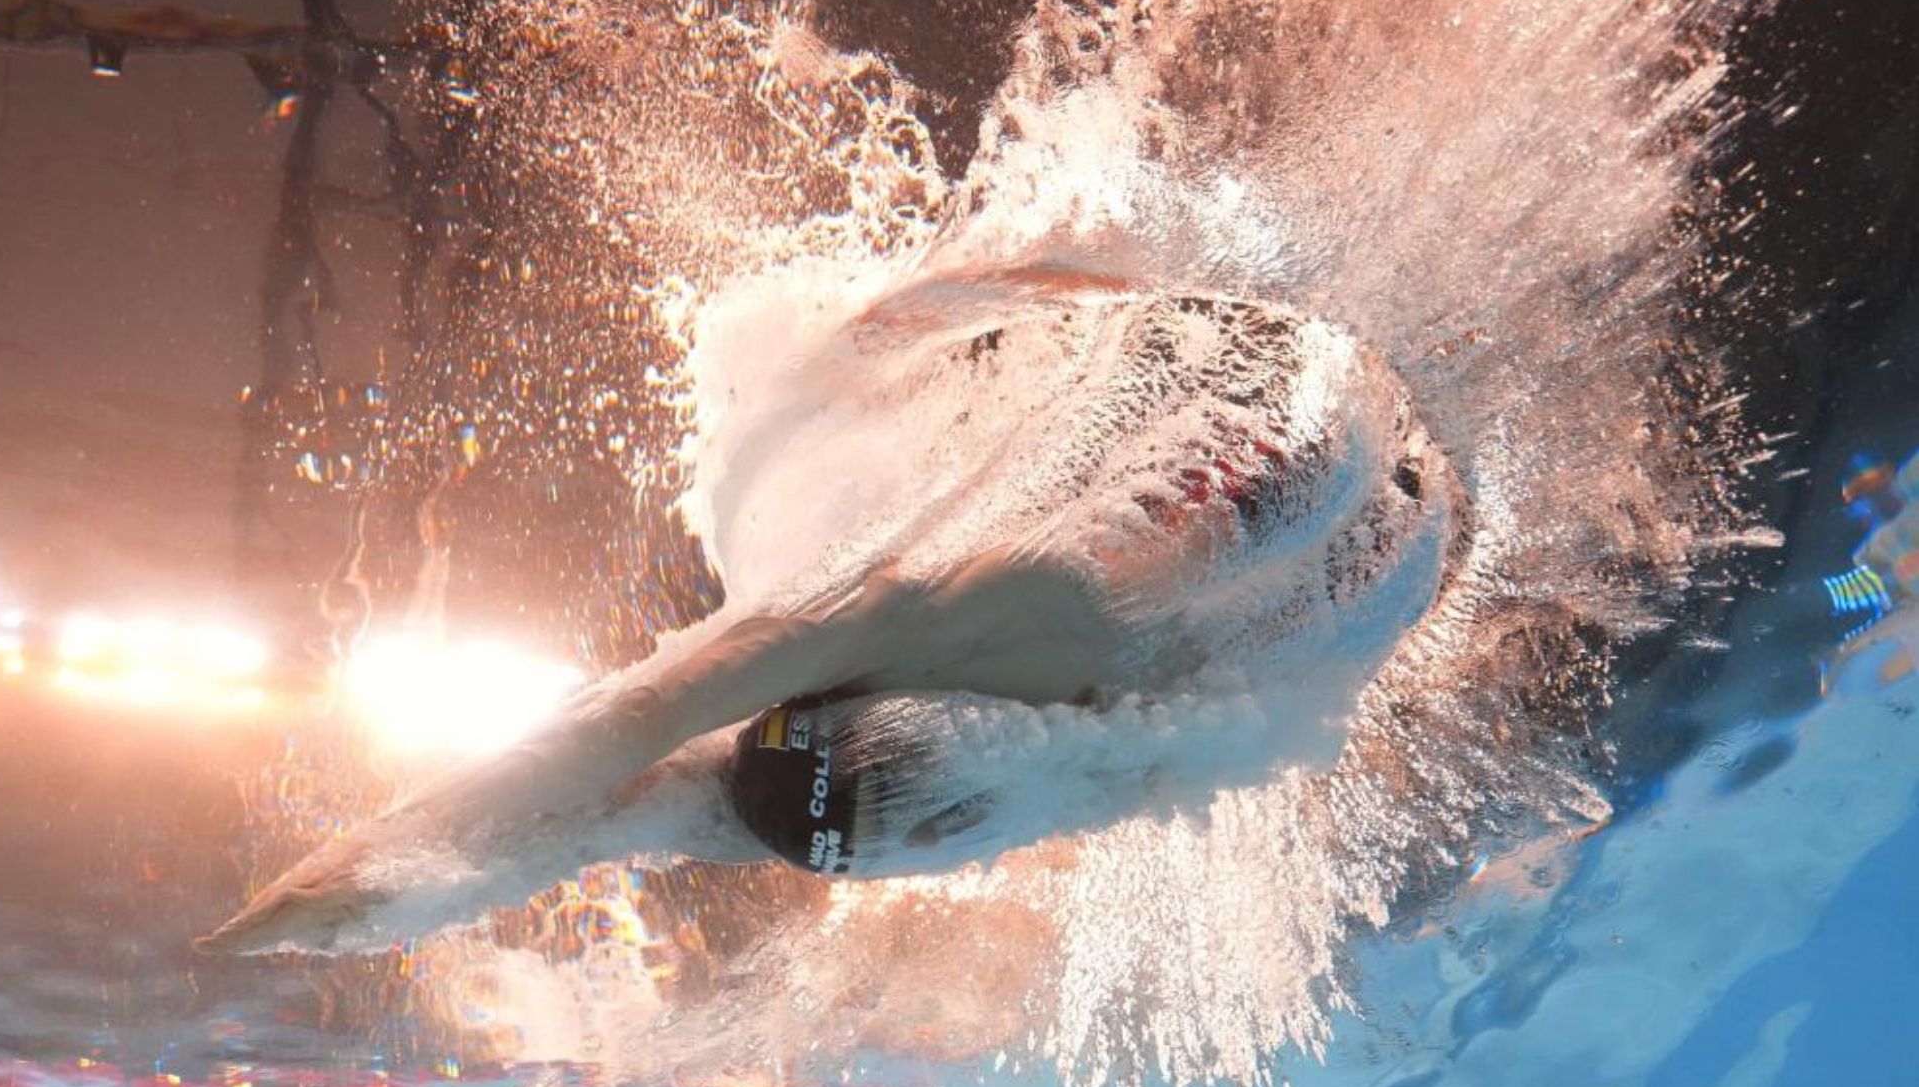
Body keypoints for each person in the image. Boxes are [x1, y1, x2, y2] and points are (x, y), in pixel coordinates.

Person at [201, 267, 1465, 953]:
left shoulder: (1105, 762)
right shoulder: (919, 617)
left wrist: (370, 904)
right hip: (1284, 389)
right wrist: (329, 898)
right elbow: (614, 738)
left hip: (1398, 530)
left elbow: (624, 795)